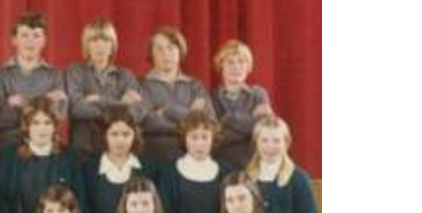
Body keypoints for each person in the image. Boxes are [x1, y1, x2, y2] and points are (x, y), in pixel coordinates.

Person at [0, 97, 85, 213]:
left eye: (47, 123)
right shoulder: (8, 157)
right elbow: (1, 203)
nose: (42, 129)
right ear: (26, 126)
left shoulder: (69, 158)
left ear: (55, 126)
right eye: (35, 123)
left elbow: (79, 202)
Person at [65, 18, 142, 160]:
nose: (100, 46)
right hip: (83, 149)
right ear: (86, 45)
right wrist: (121, 104)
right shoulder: (75, 71)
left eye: (105, 40)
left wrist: (98, 99)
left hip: (118, 151)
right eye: (94, 40)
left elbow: (135, 113)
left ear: (113, 45)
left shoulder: (126, 75)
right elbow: (76, 109)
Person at [0, 11, 68, 155]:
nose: (30, 41)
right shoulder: (0, 75)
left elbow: (60, 116)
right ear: (14, 40)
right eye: (24, 35)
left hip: (46, 148)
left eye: (36, 35)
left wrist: (18, 104)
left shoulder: (55, 75)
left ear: (44, 40)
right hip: (9, 147)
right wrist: (45, 101)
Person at [138, 26, 214, 164]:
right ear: (151, 53)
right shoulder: (140, 85)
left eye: (171, 47)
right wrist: (190, 117)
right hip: (154, 159)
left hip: (193, 161)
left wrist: (166, 111)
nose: (166, 54)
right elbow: (145, 123)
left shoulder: (195, 86)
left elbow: (209, 122)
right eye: (159, 49)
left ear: (180, 51)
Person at [211, 39, 274, 168]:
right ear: (221, 66)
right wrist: (250, 122)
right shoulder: (211, 98)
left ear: (248, 66)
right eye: (230, 62)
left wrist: (228, 119)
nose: (236, 67)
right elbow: (214, 138)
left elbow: (264, 130)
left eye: (241, 62)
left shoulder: (258, 94)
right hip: (222, 166)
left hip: (255, 165)